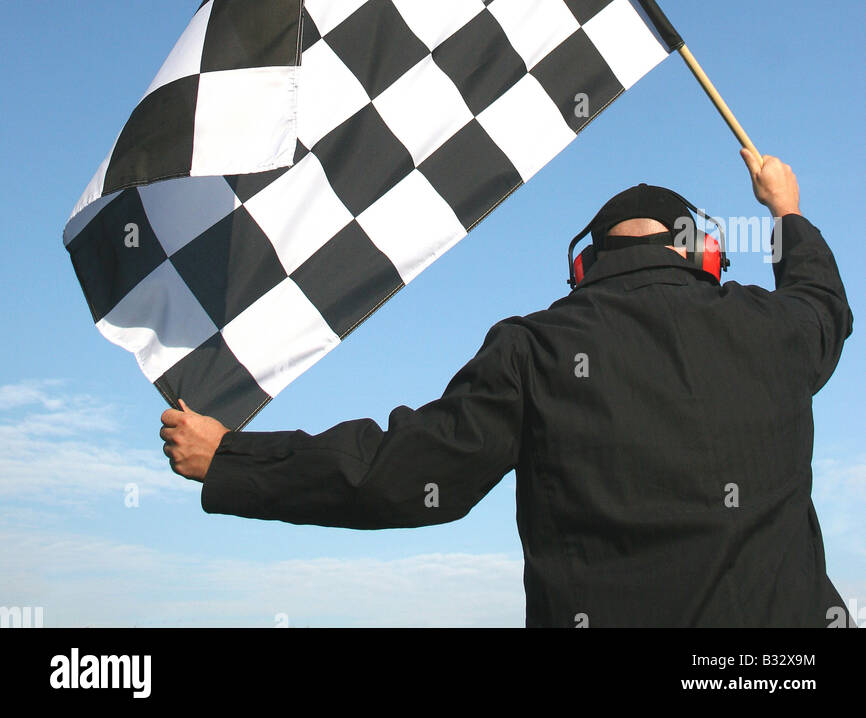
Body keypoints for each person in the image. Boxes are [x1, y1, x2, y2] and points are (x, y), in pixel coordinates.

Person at [160, 150, 853, 628]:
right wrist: (786, 212)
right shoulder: (776, 330)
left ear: (585, 264)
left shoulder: (536, 348)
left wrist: (232, 461)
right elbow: (824, 300)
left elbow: (402, 475)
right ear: (703, 252)